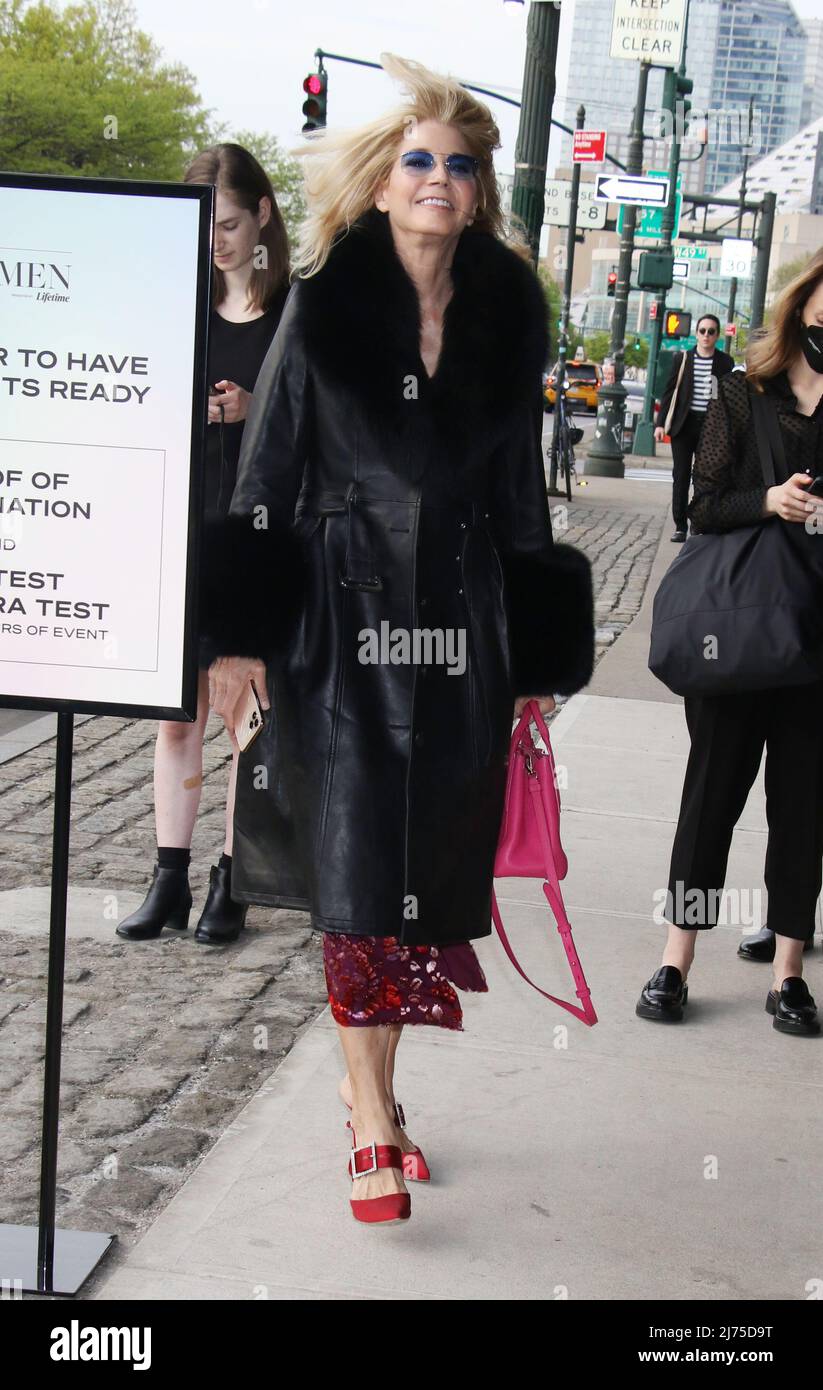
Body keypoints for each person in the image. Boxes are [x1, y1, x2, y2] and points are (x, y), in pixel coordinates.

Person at [201, 55, 594, 1224]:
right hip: (337, 628)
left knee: (418, 879)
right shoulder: (322, 307)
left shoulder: (507, 319)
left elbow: (522, 501)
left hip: (463, 635)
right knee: (357, 870)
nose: (437, 179)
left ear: (476, 193)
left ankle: (371, 1093)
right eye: (417, 160)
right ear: (382, 185)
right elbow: (266, 479)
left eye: (458, 165)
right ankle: (370, 1122)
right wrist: (239, 641)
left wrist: (535, 668)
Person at [637, 249, 823, 1036]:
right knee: (709, 797)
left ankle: (787, 972)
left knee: (803, 808)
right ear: (799, 311)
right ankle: (676, 958)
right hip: (738, 633)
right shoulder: (746, 398)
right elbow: (703, 505)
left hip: (815, 643)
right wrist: (769, 500)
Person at [117, 145, 290, 947]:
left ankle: (233, 877)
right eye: (203, 226)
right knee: (176, 718)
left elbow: (319, 435)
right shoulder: (172, 306)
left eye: (226, 223)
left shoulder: (295, 313)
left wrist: (254, 410)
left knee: (243, 718)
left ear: (261, 214)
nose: (215, 240)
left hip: (257, 544)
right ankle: (168, 877)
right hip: (180, 532)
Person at [655, 314, 734, 542]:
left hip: (710, 427)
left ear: (717, 335)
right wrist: (660, 424)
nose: (706, 335)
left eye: (711, 331)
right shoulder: (684, 358)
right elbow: (670, 392)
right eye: (702, 331)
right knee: (680, 475)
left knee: (705, 476)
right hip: (683, 425)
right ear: (696, 333)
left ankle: (698, 522)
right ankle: (680, 524)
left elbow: (722, 396)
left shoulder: (723, 362)